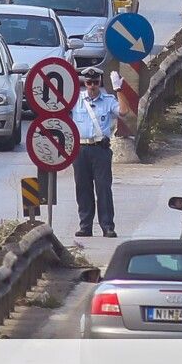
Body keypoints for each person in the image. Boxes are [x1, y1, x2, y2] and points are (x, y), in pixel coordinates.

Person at [71, 66, 124, 237]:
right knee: (82, 188)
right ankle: (85, 225)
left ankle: (107, 226)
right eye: (89, 82)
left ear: (100, 82)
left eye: (95, 82)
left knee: (103, 188)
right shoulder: (76, 100)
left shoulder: (108, 100)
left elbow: (124, 112)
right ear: (84, 83)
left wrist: (119, 90)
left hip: (100, 149)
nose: (92, 86)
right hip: (80, 149)